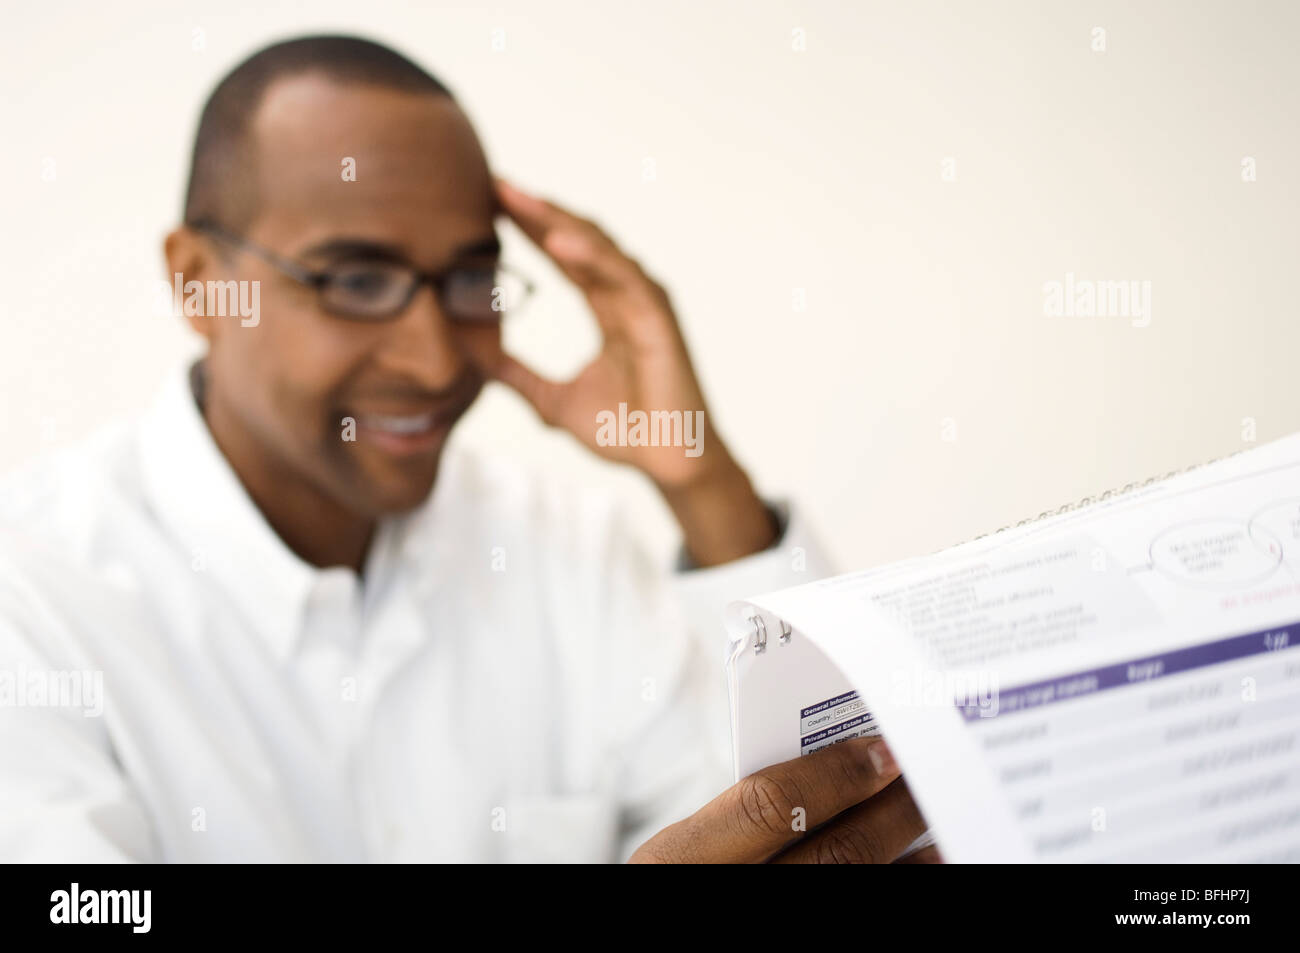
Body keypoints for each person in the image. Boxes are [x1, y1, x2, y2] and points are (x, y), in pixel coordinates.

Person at [0, 35, 935, 863]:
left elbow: (867, 822)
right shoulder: (33, 600)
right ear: (201, 282)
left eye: (469, 280)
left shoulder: (569, 549)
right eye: (357, 278)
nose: (436, 356)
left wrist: (701, 481)